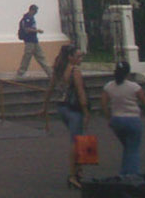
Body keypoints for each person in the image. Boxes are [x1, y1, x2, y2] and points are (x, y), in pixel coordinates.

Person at [100, 60, 145, 178]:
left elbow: (104, 104)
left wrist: (108, 118)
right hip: (132, 120)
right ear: (128, 73)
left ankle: (124, 172)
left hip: (116, 120)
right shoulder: (134, 87)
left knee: (127, 147)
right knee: (133, 149)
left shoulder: (108, 86)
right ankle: (132, 174)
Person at [43, 44, 89, 189]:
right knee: (77, 141)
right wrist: (86, 111)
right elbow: (81, 92)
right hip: (74, 108)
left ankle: (79, 170)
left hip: (62, 108)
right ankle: (73, 174)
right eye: (78, 56)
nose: (80, 59)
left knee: (79, 139)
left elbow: (50, 89)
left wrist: (45, 107)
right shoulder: (75, 71)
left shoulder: (58, 70)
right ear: (71, 57)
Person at [16, 3, 51, 78]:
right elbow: (27, 29)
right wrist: (37, 31)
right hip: (29, 40)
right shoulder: (27, 18)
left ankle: (50, 72)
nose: (36, 13)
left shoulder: (31, 18)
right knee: (27, 56)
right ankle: (21, 72)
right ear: (32, 10)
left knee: (41, 56)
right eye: (35, 11)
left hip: (34, 40)